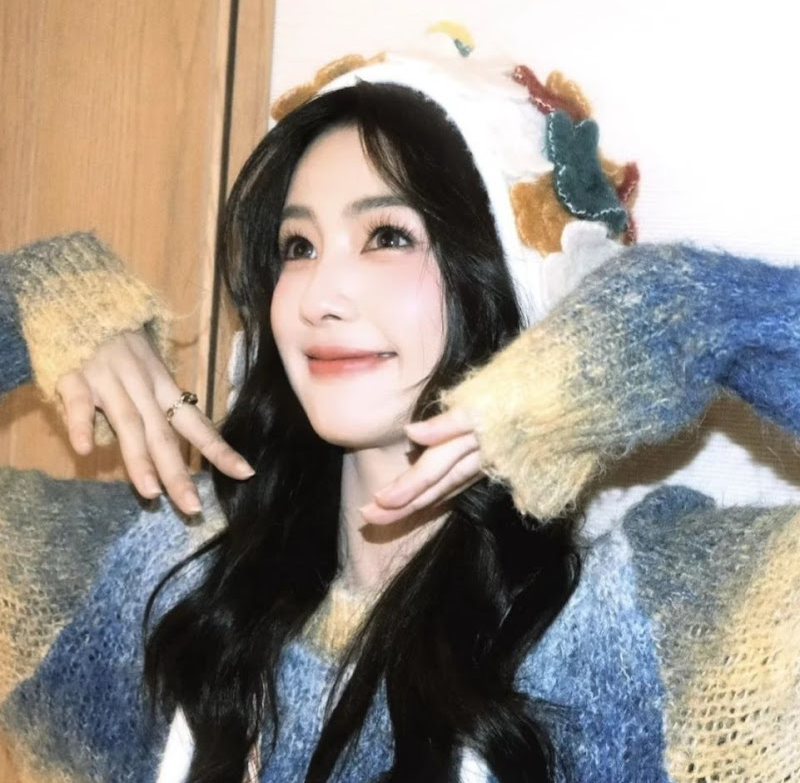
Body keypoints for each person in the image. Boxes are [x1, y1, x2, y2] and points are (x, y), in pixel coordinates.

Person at [1, 38, 799, 783]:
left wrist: (696, 317)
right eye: (298, 247)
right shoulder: (152, 576)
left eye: (387, 236)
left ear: (507, 278)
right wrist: (31, 301)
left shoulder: (657, 627)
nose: (318, 295)